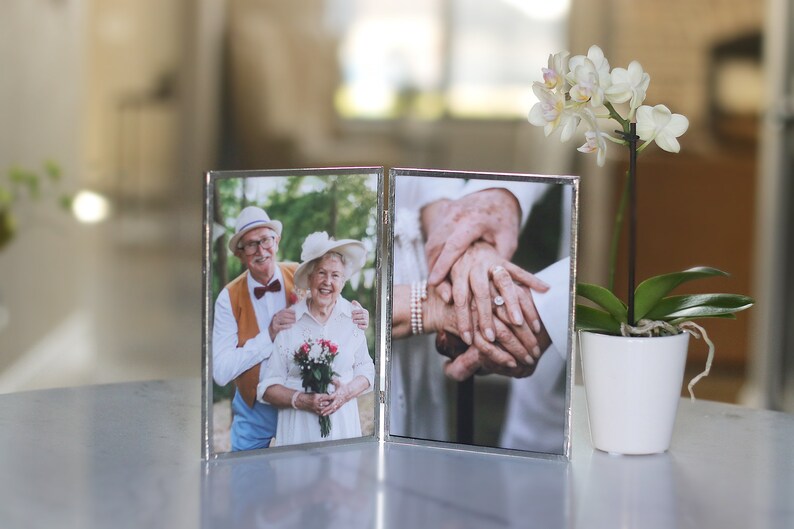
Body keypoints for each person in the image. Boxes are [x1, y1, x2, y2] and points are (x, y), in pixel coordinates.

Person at [213, 207, 368, 452]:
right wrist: (269, 335)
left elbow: (331, 294)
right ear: (239, 254)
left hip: (306, 401)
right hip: (255, 406)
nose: (261, 250)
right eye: (251, 245)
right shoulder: (228, 298)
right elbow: (221, 373)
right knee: (246, 480)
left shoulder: (300, 273)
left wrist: (359, 314)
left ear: (277, 241)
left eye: (266, 240)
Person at [259, 232, 375, 446]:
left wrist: (346, 392)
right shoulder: (289, 321)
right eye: (321, 273)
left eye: (335, 275)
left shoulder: (354, 317)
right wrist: (302, 400)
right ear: (310, 277)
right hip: (298, 432)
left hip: (342, 429)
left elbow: (367, 370)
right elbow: (267, 387)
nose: (327, 282)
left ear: (343, 281)